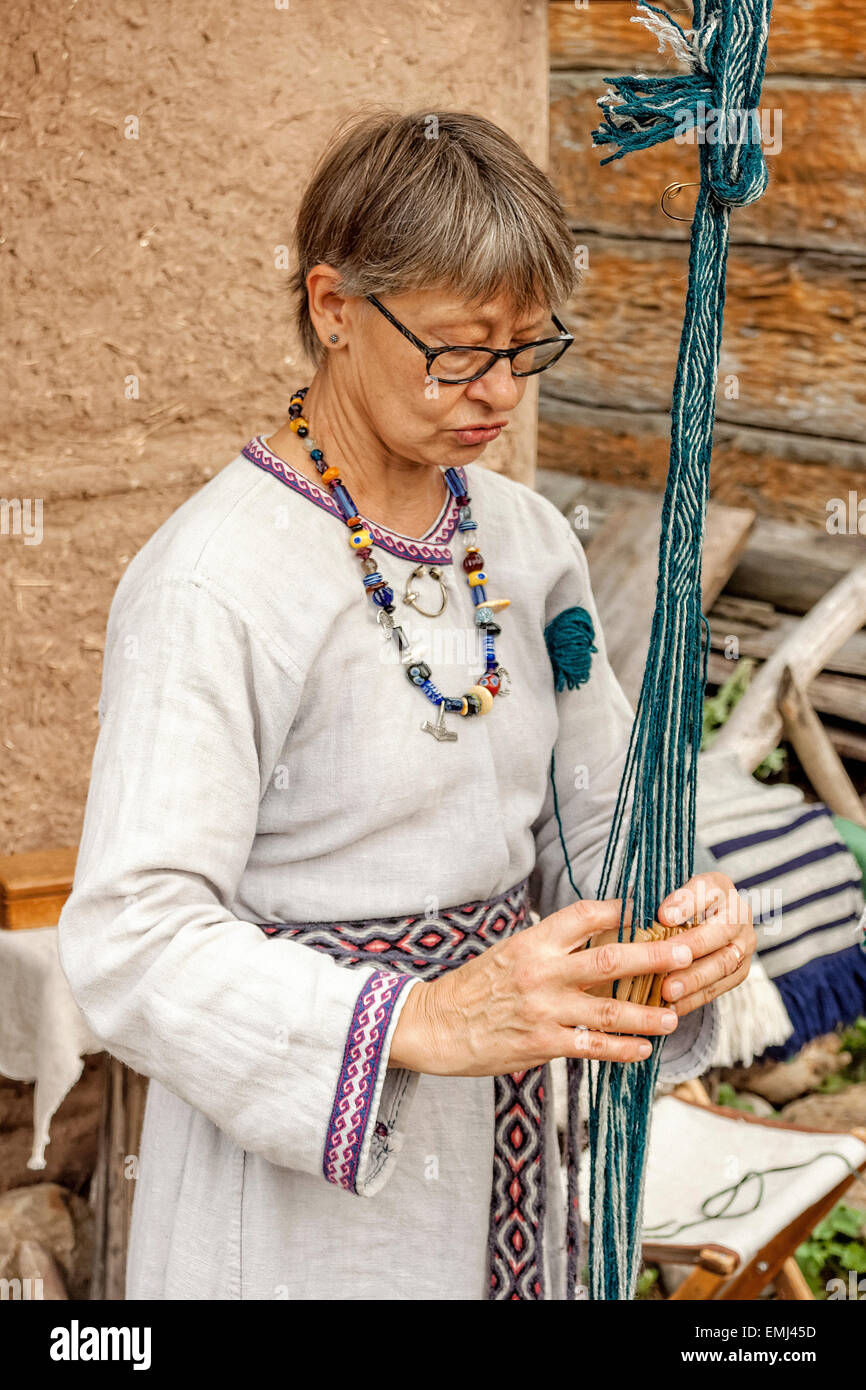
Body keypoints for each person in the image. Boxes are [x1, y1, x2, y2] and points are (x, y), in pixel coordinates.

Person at [58, 108, 755, 1301]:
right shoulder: (215, 578)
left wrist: (673, 926)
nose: (496, 395)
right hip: (297, 1191)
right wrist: (419, 1022)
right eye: (454, 349)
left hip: (513, 1143)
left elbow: (593, 824)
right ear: (333, 307)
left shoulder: (526, 544)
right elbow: (131, 935)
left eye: (524, 350)